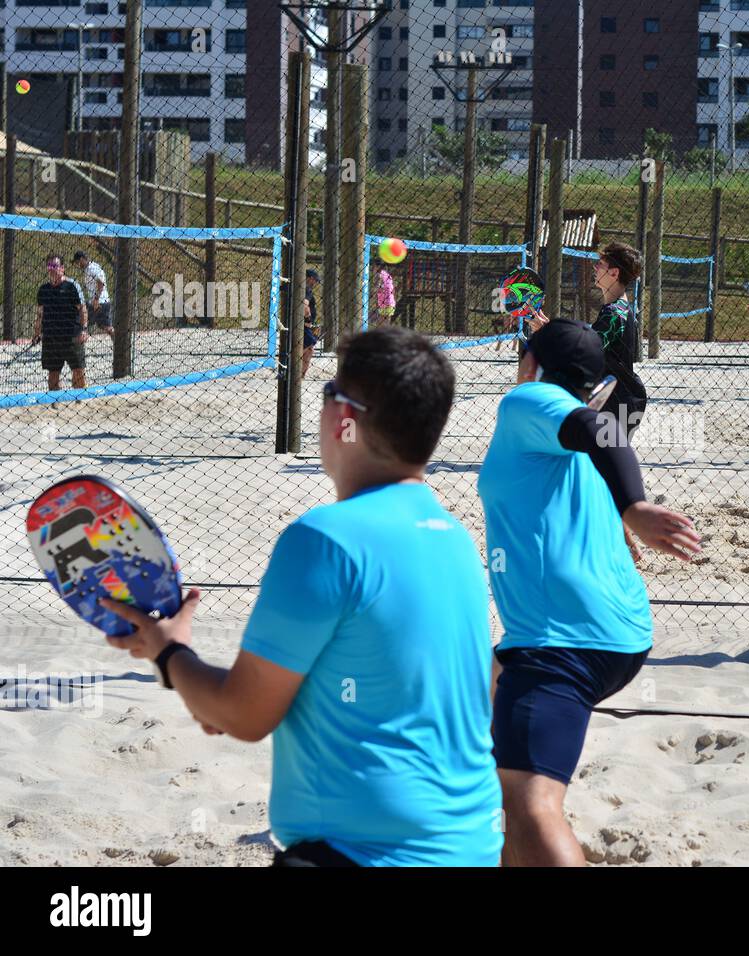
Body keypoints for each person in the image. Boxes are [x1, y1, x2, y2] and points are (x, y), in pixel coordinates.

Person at [101, 326, 503, 867]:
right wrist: (211, 692)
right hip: (473, 848)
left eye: (325, 391)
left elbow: (244, 717)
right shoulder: (454, 539)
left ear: (345, 419)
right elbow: (372, 692)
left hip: (365, 857)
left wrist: (170, 654)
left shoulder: (325, 539)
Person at [478, 318, 702, 866]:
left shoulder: (527, 402)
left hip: (565, 641)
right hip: (618, 632)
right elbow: (599, 433)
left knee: (530, 802)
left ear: (531, 365)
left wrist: (634, 506)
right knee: (478, 693)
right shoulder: (559, 433)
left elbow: (606, 432)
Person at [527, 242, 649, 440]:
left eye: (600, 264)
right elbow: (588, 341)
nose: (595, 267)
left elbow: (584, 352)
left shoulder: (614, 314)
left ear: (614, 273)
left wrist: (548, 332)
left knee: (597, 463)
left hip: (613, 403)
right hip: (617, 399)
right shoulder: (621, 309)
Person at [35, 253, 89, 391]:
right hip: (51, 338)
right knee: (53, 374)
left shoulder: (72, 286)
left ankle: (80, 402)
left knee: (78, 372)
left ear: (63, 268)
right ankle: (55, 404)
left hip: (72, 337)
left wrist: (84, 330)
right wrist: (37, 333)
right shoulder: (43, 289)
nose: (52, 268)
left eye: (55, 265)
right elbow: (40, 314)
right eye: (50, 266)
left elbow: (82, 309)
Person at [72, 250, 113, 336]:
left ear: (82, 259)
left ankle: (79, 341)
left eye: (77, 262)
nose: (77, 265)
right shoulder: (90, 268)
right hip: (101, 302)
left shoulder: (92, 268)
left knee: (81, 321)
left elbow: (101, 283)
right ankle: (120, 343)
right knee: (106, 327)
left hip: (99, 303)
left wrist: (96, 299)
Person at [302, 268, 322, 374]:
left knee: (309, 348)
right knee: (309, 346)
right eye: (315, 280)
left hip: (300, 323)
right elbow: (305, 305)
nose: (316, 283)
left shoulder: (300, 287)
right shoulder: (307, 289)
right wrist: (308, 320)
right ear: (310, 279)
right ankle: (294, 370)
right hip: (304, 324)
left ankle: (300, 374)